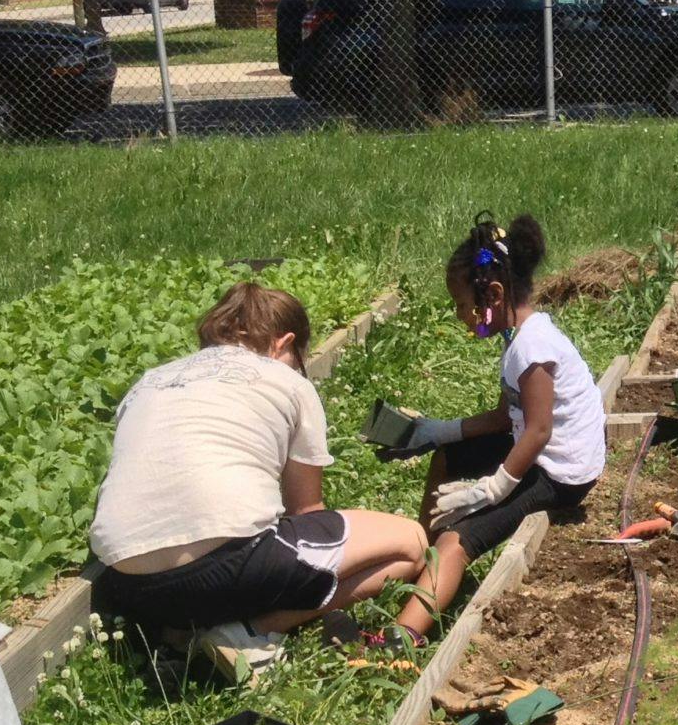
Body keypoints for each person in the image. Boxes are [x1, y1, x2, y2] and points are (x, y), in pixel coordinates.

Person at [90, 283, 429, 679]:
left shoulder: (148, 381)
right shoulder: (286, 381)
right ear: (284, 343)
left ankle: (179, 632)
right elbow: (307, 510)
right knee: (413, 544)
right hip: (228, 567)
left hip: (128, 585)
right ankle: (250, 632)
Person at [384, 213, 606, 644]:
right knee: (450, 459)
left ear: (494, 294)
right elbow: (509, 417)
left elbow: (537, 432)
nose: (461, 315)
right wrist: (440, 432)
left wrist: (491, 490)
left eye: (463, 304)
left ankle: (399, 639)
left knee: (460, 538)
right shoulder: (520, 339)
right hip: (542, 449)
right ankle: (421, 557)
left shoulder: (532, 348)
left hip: (561, 474)